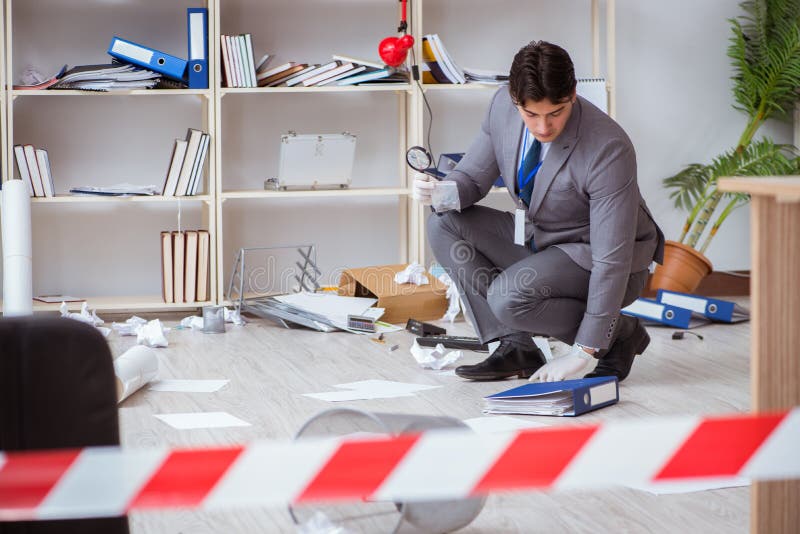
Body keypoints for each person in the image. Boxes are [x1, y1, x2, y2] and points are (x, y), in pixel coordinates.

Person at [414, 41, 664, 383]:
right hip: (543, 238)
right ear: (514, 98)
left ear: (573, 94)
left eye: (555, 112)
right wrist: (443, 192)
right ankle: (516, 346)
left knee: (507, 296)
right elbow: (472, 177)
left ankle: (618, 333)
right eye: (531, 114)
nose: (543, 128)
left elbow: (611, 259)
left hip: (599, 255)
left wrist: (584, 350)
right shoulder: (502, 106)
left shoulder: (608, 148)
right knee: (444, 224)